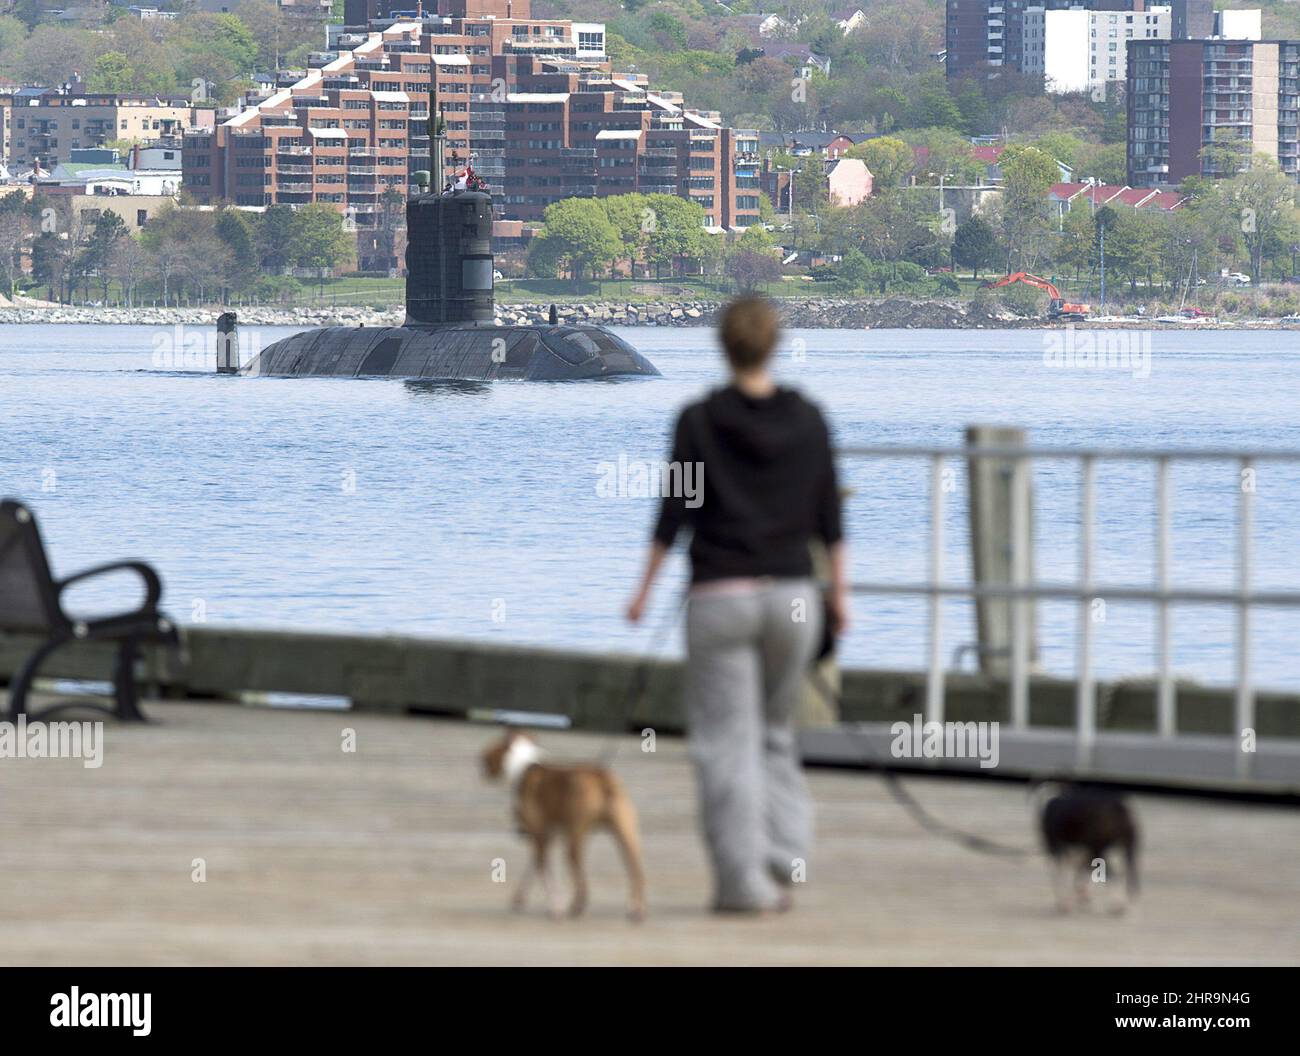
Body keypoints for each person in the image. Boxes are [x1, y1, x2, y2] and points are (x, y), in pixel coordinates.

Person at [626, 296, 847, 914]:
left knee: (727, 742)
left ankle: (742, 884)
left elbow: (674, 515)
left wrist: (642, 593)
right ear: (776, 344)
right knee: (776, 732)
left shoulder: (698, 420)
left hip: (721, 597)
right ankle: (786, 849)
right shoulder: (809, 419)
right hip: (794, 600)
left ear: (722, 345)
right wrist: (842, 599)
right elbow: (830, 519)